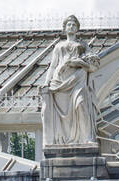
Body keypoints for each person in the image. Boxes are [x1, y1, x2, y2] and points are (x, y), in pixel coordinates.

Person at [42, 14, 101, 147]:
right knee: (64, 113)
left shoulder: (83, 45)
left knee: (80, 104)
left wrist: (79, 62)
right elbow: (53, 65)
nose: (71, 26)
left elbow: (92, 64)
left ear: (77, 28)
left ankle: (87, 138)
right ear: (64, 28)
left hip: (78, 78)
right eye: (69, 24)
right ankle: (67, 140)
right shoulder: (59, 46)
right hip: (60, 81)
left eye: (74, 24)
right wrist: (46, 82)